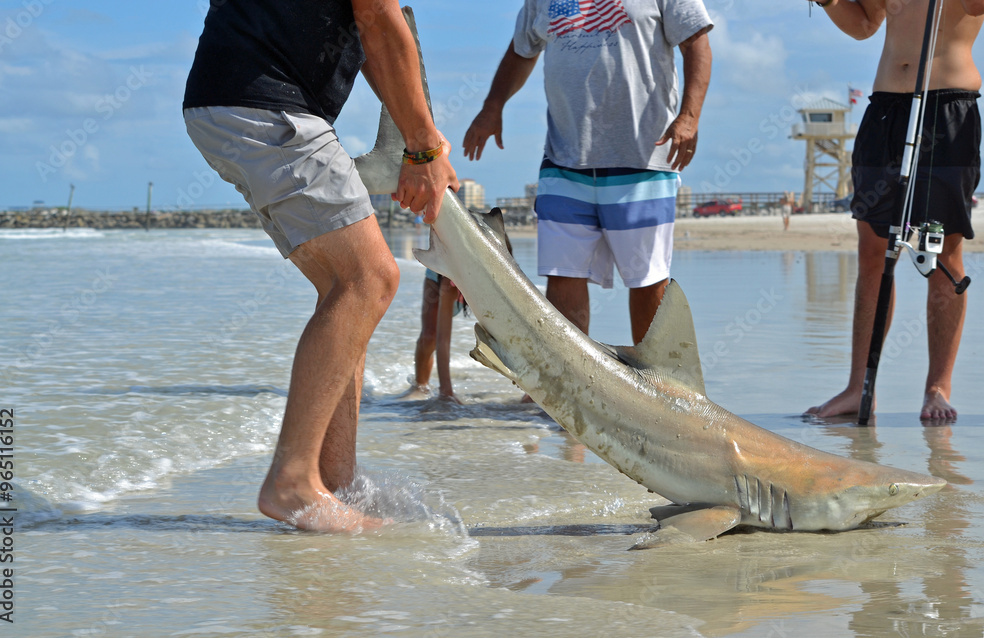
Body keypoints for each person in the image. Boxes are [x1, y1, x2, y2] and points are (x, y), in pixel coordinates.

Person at [182, 0, 459, 532]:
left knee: (346, 288)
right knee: (370, 279)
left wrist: (414, 140)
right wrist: (423, 149)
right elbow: (379, 17)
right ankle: (292, 485)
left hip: (236, 99)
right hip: (267, 103)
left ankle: (335, 481)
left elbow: (371, 31)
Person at [463, 0, 713, 347]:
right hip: (563, 159)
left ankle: (657, 387)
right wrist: (492, 107)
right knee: (562, 278)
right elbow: (522, 51)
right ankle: (568, 391)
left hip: (642, 159)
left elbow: (696, 41)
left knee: (648, 281)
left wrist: (689, 116)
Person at [807, 0, 983, 421]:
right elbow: (866, 23)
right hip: (885, 109)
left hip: (947, 108)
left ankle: (937, 388)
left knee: (944, 252)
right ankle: (857, 388)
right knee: (872, 252)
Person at [410, 269, 464, 402]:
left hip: (479, 280)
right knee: (430, 337)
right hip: (440, 276)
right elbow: (443, 339)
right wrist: (446, 391)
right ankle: (420, 386)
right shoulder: (449, 281)